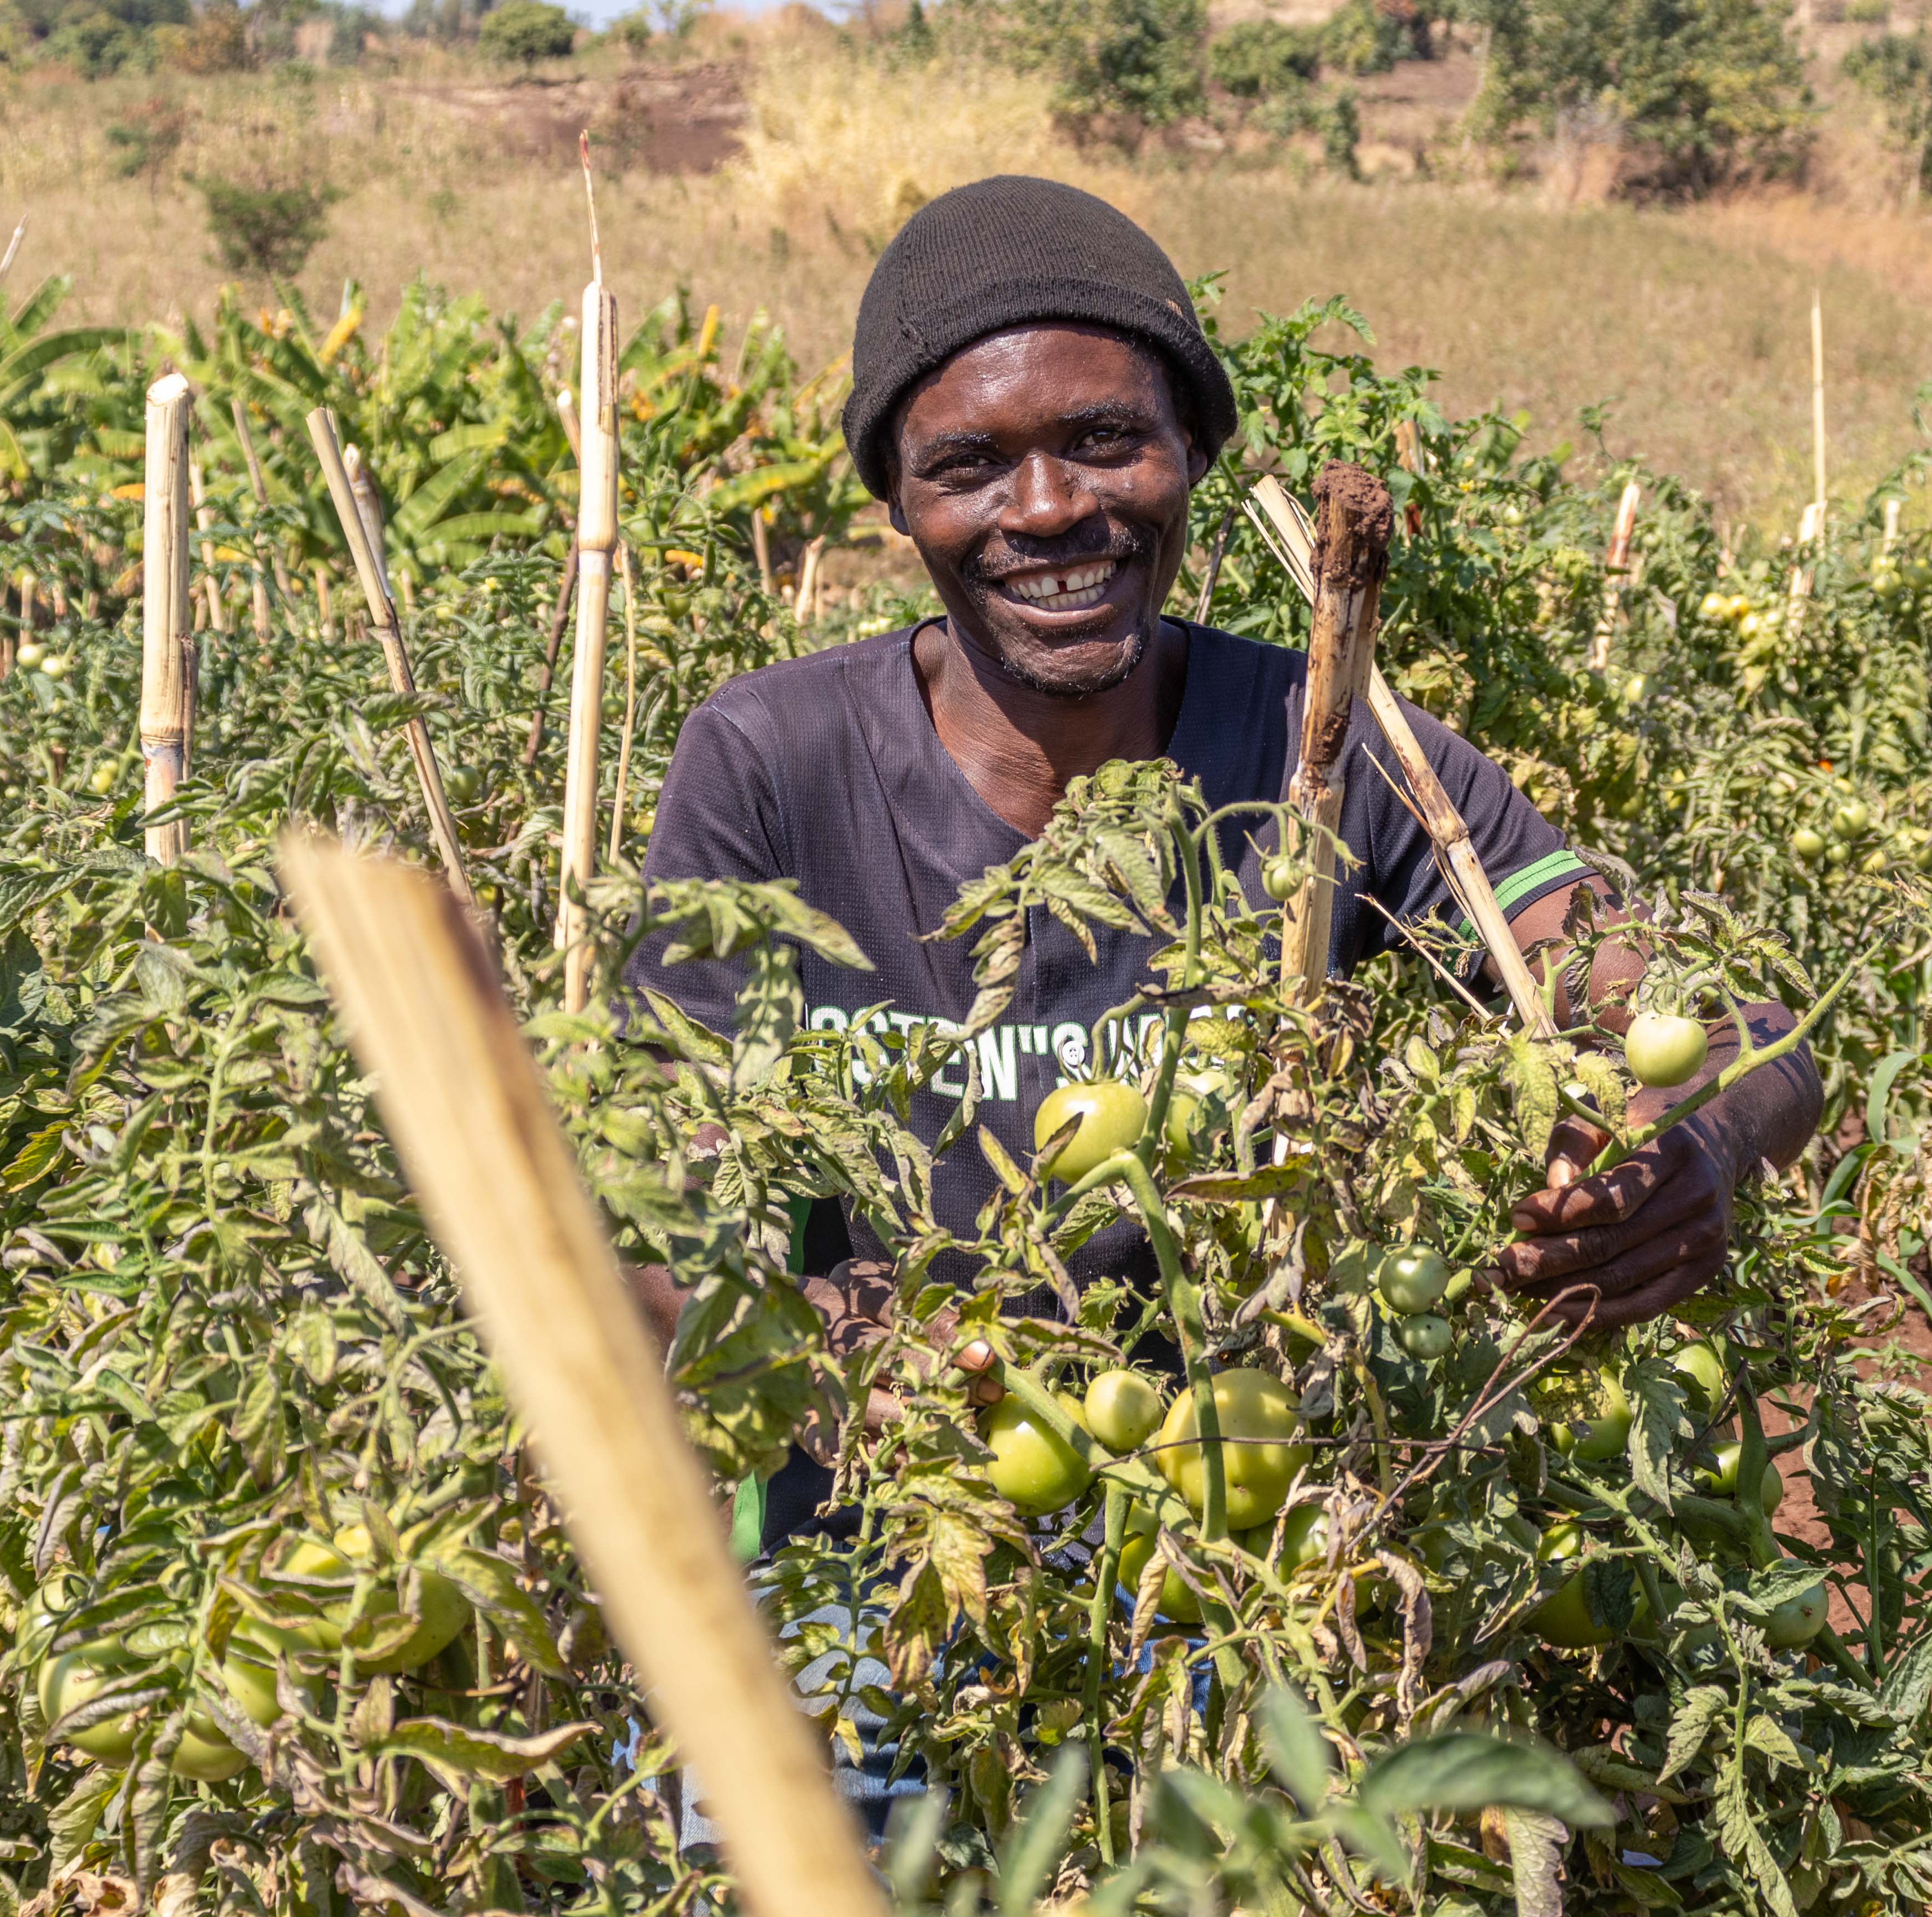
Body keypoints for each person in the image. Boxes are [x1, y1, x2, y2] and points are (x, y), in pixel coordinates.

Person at [625, 176, 1819, 1544]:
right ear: (896, 502)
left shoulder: (1339, 751)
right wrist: (844, 1347)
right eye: (967, 464)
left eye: (1106, 437)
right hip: (871, 1556)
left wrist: (1697, 1148)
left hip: (1232, 1578)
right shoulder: (773, 765)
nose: (1049, 506)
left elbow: (1733, 1027)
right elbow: (653, 1194)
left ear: (1193, 446)